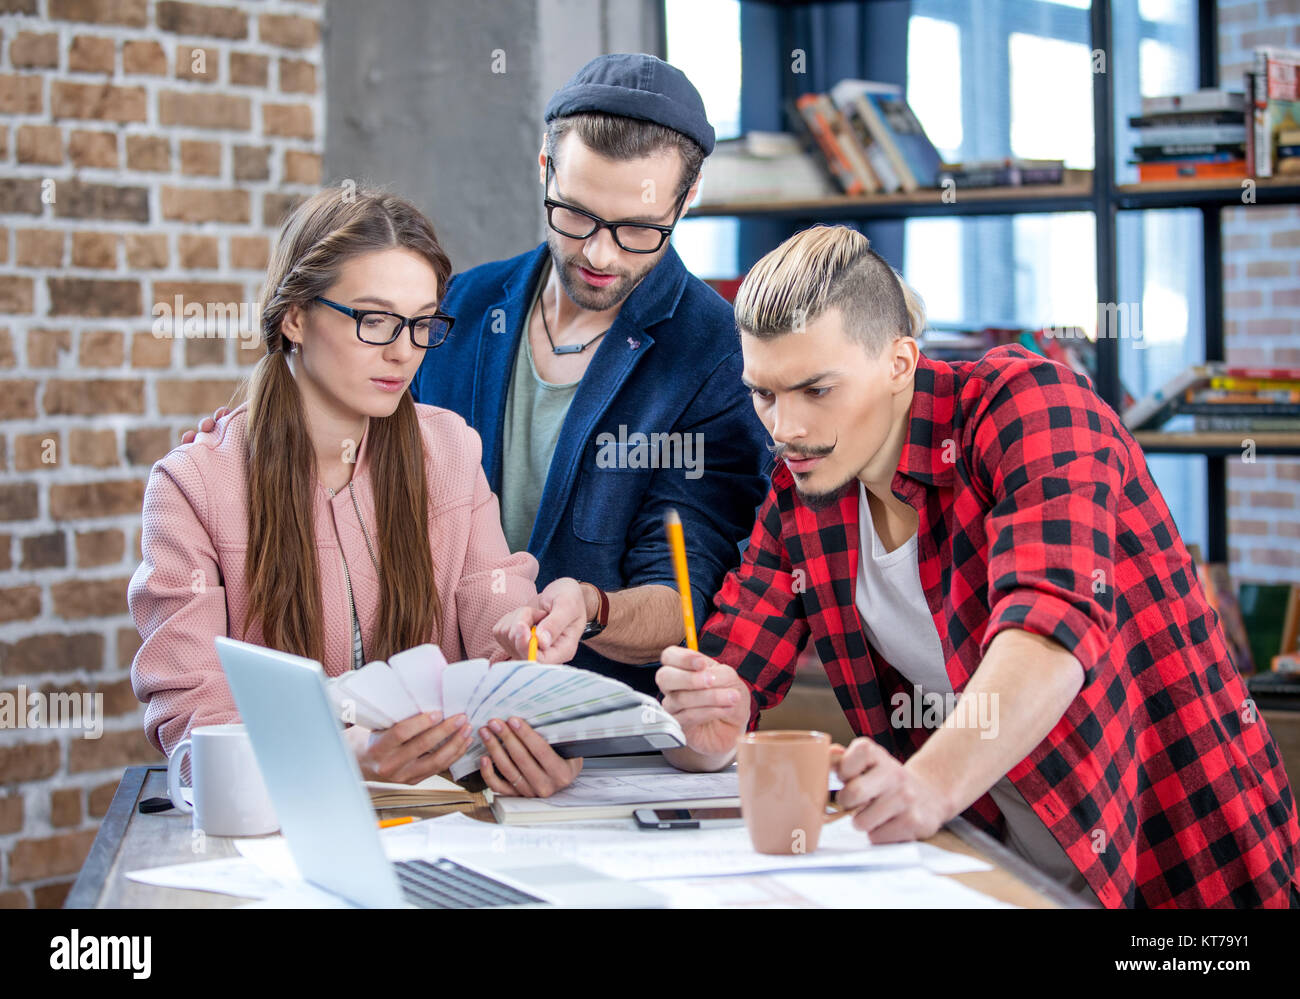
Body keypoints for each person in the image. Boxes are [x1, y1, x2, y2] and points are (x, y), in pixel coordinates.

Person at [656, 224, 1300, 908]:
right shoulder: (803, 492)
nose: (784, 428)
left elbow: (1050, 631)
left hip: (1173, 855)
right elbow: (727, 686)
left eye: (816, 390)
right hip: (992, 864)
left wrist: (927, 784)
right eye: (765, 394)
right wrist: (707, 727)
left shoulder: (1029, 405)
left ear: (900, 362)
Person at [184, 55, 770, 798]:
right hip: (437, 754)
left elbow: (689, 582)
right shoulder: (462, 305)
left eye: (635, 230)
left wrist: (591, 609)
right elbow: (362, 431)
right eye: (578, 215)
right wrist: (250, 436)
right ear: (544, 171)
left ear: (685, 202)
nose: (598, 252)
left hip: (608, 757)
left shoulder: (717, 354)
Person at [130, 185, 590, 793]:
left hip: (444, 828)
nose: (404, 352)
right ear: (294, 315)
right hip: (280, 856)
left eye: (421, 324)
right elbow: (198, 739)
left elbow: (498, 635)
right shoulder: (193, 487)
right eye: (374, 320)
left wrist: (531, 701)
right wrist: (343, 760)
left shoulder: (449, 450)